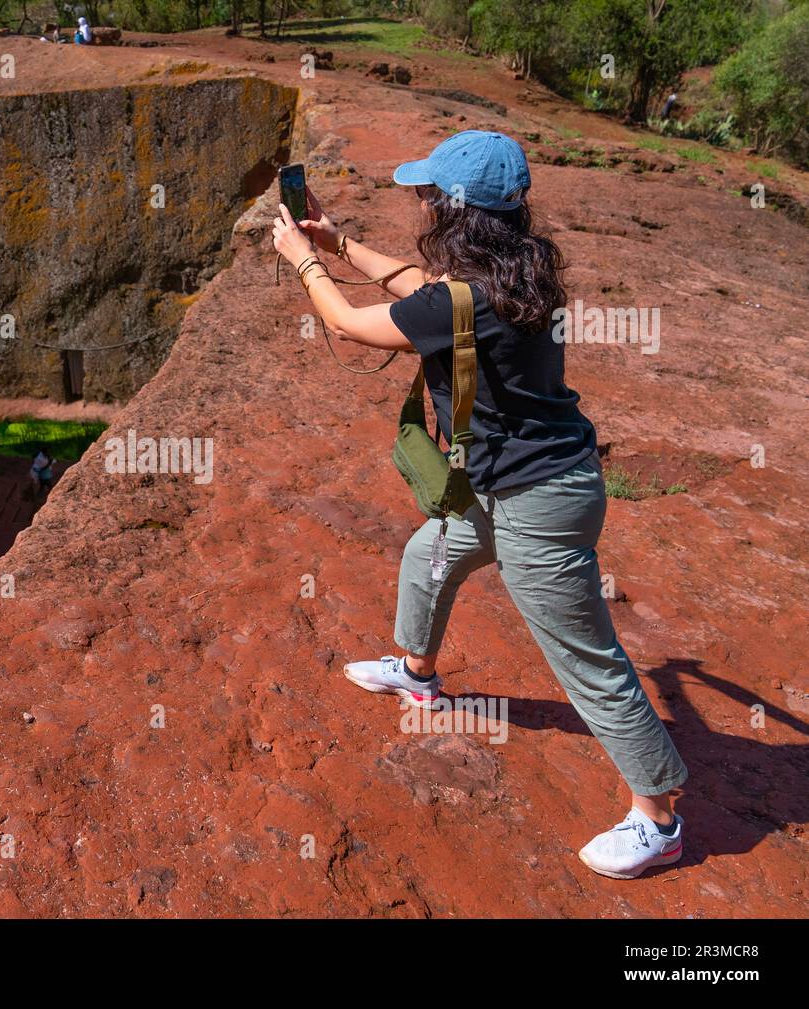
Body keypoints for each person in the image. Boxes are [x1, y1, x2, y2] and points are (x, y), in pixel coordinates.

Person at [271, 130, 688, 880]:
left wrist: (303, 262)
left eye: (428, 195)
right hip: (521, 482)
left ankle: (658, 817)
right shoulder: (524, 272)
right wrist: (340, 242)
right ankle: (417, 670)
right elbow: (427, 296)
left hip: (539, 501)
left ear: (456, 213)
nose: (421, 203)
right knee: (428, 555)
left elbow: (348, 324)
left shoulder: (465, 296)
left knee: (586, 659)